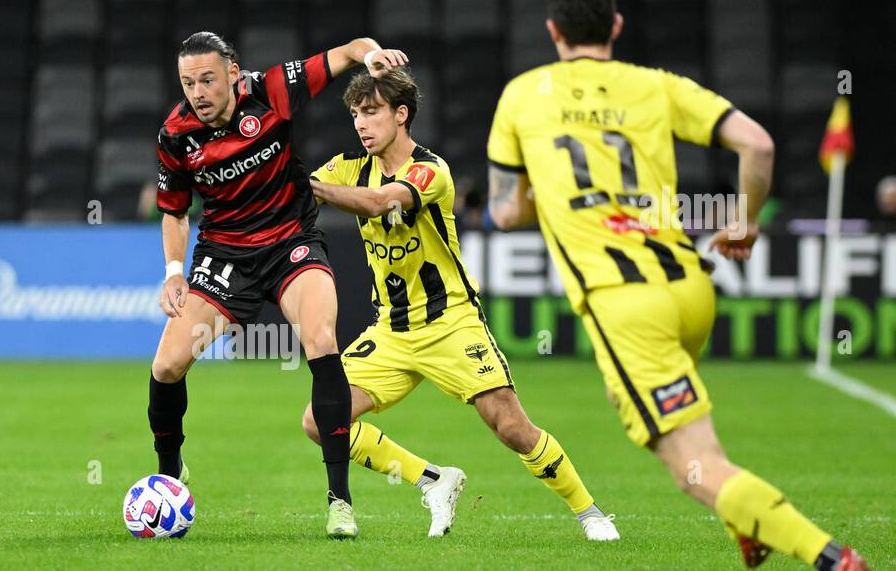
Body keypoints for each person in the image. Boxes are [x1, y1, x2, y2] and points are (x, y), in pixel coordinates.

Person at [485, 0, 870, 571]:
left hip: (623, 301)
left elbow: (503, 212)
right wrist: (744, 220)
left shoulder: (523, 95)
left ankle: (832, 561)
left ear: (553, 31)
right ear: (614, 27)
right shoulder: (654, 85)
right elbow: (759, 144)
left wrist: (543, 193)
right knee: (665, 418)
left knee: (694, 467)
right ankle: (745, 521)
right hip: (691, 286)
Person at [308, 69, 618, 540]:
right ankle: (432, 480)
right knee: (321, 419)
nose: (361, 124)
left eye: (371, 112)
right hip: (392, 329)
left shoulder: (430, 171)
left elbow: (378, 203)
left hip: (451, 322)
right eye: (355, 114)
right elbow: (299, 188)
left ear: (401, 114)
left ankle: (590, 513)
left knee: (511, 426)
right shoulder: (348, 165)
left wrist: (307, 187)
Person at [150, 31, 408, 539]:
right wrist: (174, 272)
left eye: (206, 79)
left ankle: (340, 500)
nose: (197, 92)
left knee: (320, 341)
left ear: (231, 73)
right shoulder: (176, 133)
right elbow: (176, 213)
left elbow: (349, 50)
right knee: (167, 364)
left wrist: (372, 55)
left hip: (291, 241)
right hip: (225, 254)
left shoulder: (271, 90)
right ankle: (169, 475)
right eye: (187, 83)